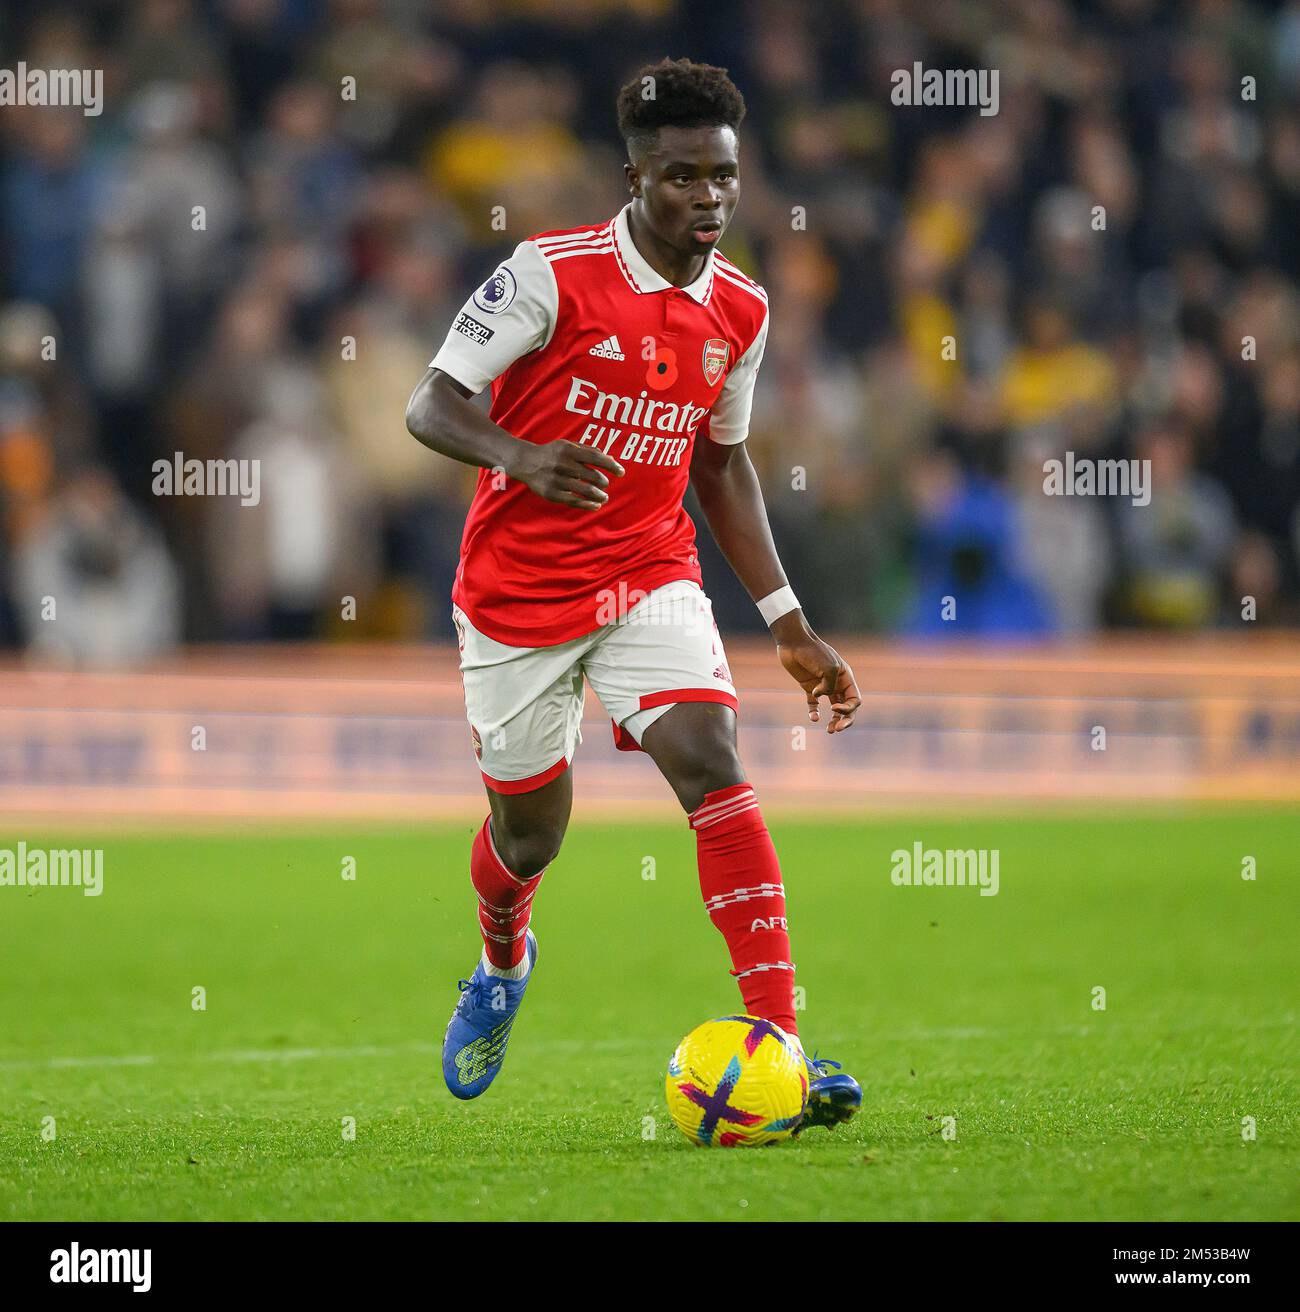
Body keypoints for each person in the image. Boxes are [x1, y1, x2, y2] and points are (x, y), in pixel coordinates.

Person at [405, 57, 862, 1132]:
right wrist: (519, 455)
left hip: (650, 570)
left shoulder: (741, 310)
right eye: (683, 178)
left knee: (710, 760)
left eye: (723, 179)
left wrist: (788, 622)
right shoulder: (547, 275)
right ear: (633, 176)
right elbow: (429, 405)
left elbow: (721, 463)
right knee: (529, 839)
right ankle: (502, 954)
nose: (707, 199)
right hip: (517, 595)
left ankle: (781, 1046)